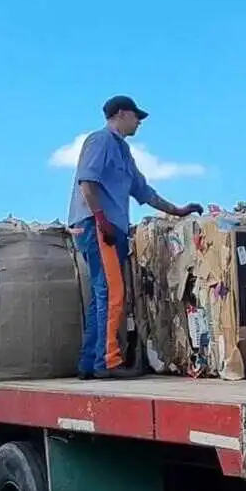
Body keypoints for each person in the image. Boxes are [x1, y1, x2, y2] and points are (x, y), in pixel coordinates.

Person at [67, 95, 203, 380]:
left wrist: (178, 211)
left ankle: (90, 363)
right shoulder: (100, 141)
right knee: (112, 293)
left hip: (109, 228)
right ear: (120, 114)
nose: (139, 122)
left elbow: (144, 192)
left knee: (102, 294)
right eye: (136, 116)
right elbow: (87, 181)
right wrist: (101, 219)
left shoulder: (123, 153)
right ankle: (107, 361)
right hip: (97, 226)